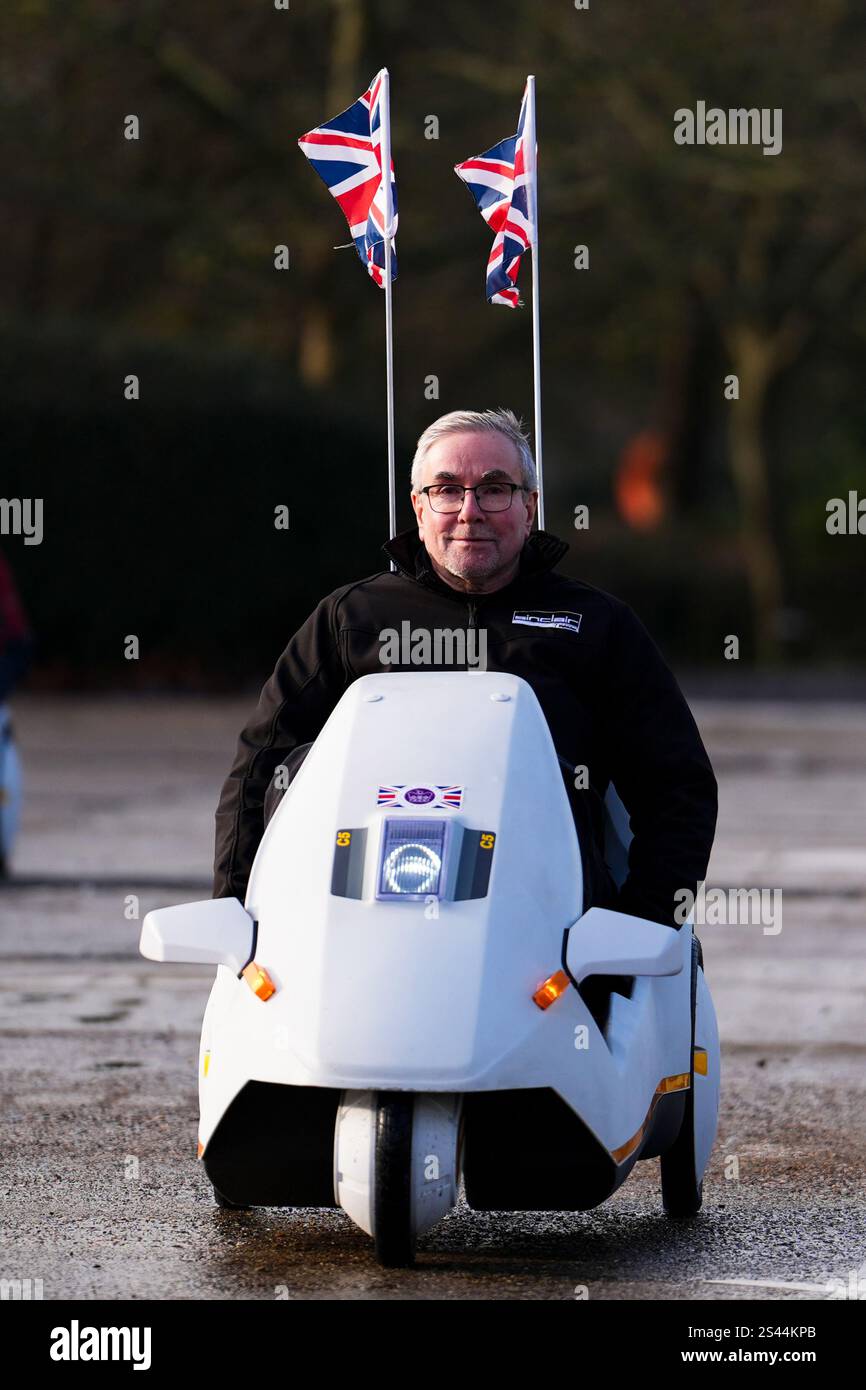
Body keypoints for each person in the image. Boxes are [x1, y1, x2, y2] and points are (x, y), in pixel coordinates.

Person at [213, 409, 717, 982]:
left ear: (530, 506)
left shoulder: (596, 625)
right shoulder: (348, 620)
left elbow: (678, 785)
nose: (470, 511)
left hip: (548, 929)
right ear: (419, 506)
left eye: (495, 489)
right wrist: (234, 915)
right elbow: (262, 766)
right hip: (353, 921)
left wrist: (640, 924)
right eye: (447, 490)